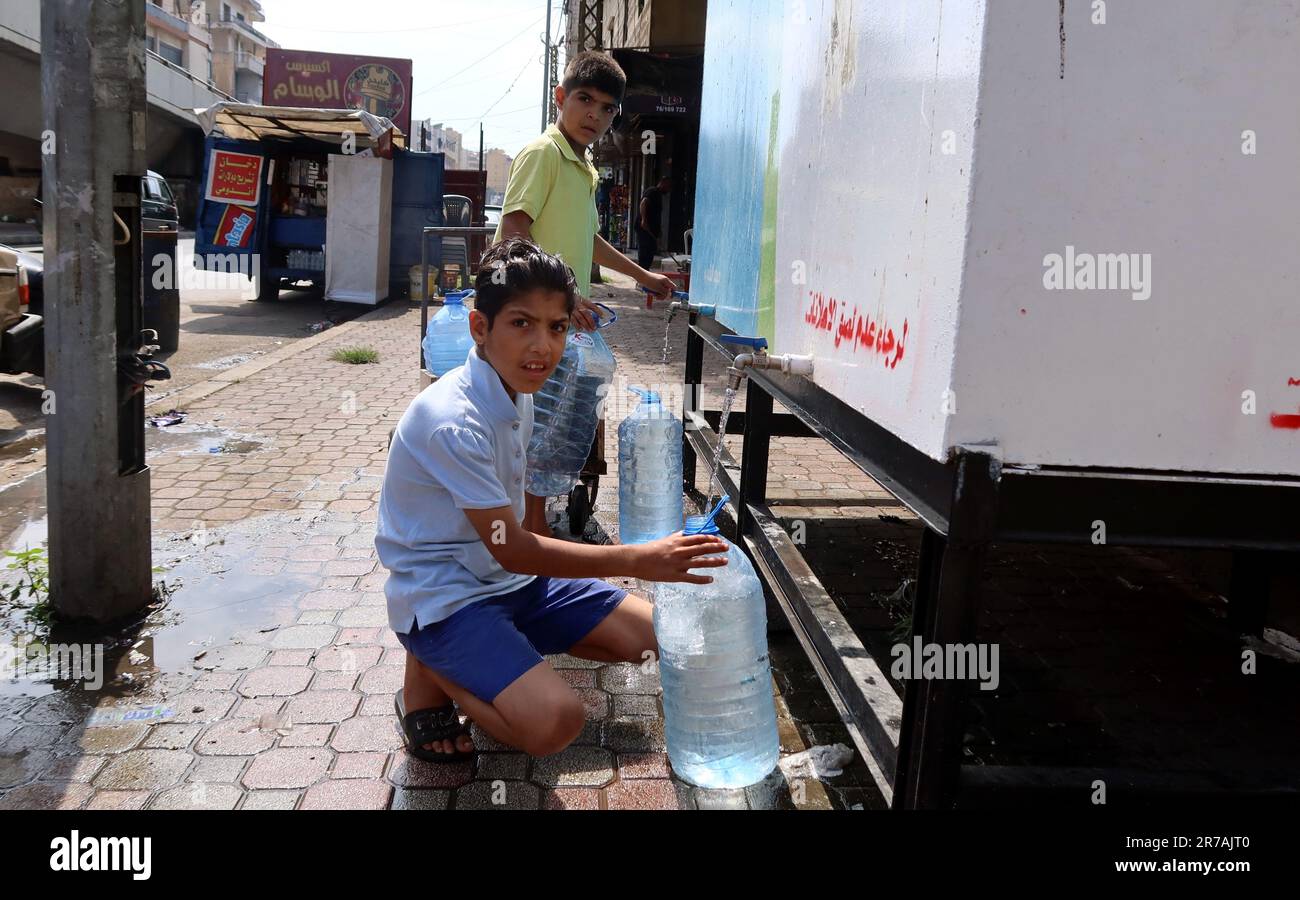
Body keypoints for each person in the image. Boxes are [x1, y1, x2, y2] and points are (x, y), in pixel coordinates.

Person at [376, 238, 728, 761]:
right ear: (480, 328)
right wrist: (638, 560)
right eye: (521, 323)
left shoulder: (518, 392)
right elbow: (513, 547)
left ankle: (498, 650)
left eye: (556, 327)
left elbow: (522, 537)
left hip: (513, 585)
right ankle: (431, 670)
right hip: (446, 598)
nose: (542, 346)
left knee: (662, 640)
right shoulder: (453, 420)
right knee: (556, 723)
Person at [494, 49, 675, 536]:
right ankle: (524, 532)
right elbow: (515, 228)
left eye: (607, 108)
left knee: (553, 412)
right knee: (531, 420)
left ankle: (534, 522)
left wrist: (644, 277)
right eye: (584, 100)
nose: (594, 114)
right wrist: (565, 299)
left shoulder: (584, 168)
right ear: (561, 98)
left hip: (552, 317)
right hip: (522, 313)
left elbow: (589, 240)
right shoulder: (544, 154)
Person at [637, 175, 672, 271]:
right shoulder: (653, 191)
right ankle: (642, 274)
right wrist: (643, 219)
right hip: (645, 228)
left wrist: (658, 230)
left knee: (650, 252)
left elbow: (656, 214)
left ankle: (645, 271)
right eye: (668, 186)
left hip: (652, 230)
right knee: (645, 253)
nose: (668, 190)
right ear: (663, 183)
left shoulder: (659, 195)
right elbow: (643, 202)